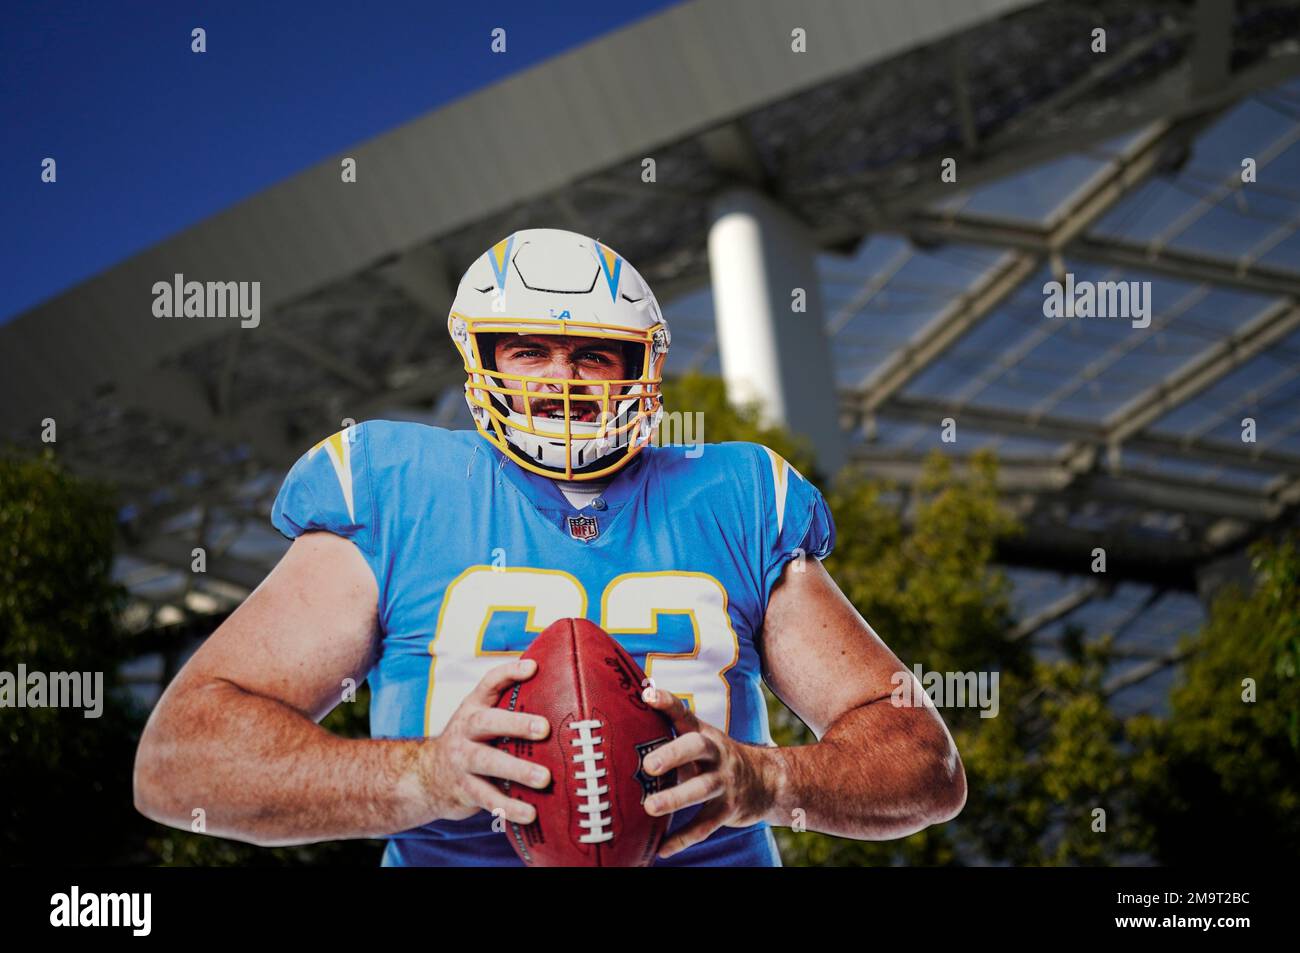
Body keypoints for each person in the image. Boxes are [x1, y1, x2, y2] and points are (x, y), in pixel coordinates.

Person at [133, 228, 966, 866]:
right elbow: (182, 761)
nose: (560, 379)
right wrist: (420, 778)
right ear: (481, 361)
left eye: (593, 355)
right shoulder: (397, 486)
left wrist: (770, 778)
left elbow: (923, 763)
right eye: (529, 350)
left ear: (641, 370)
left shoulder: (736, 495)